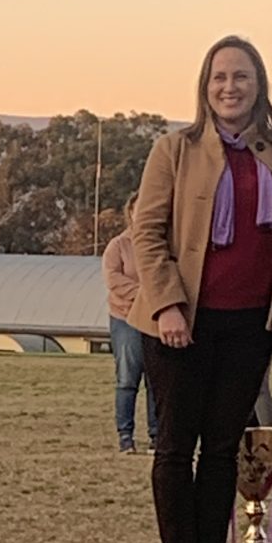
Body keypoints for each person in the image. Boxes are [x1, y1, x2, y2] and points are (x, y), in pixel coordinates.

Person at [129, 35, 272, 543]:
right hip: (180, 324)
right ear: (205, 86)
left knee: (224, 450)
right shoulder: (174, 150)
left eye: (242, 77)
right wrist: (168, 305)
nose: (230, 87)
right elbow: (145, 235)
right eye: (220, 77)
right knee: (176, 446)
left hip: (251, 325)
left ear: (259, 85)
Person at [102, 193, 159, 454]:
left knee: (156, 380)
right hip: (126, 319)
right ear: (131, 212)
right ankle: (125, 436)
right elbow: (113, 279)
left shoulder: (161, 243)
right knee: (127, 379)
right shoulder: (119, 245)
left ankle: (156, 436)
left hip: (155, 319)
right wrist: (145, 293)